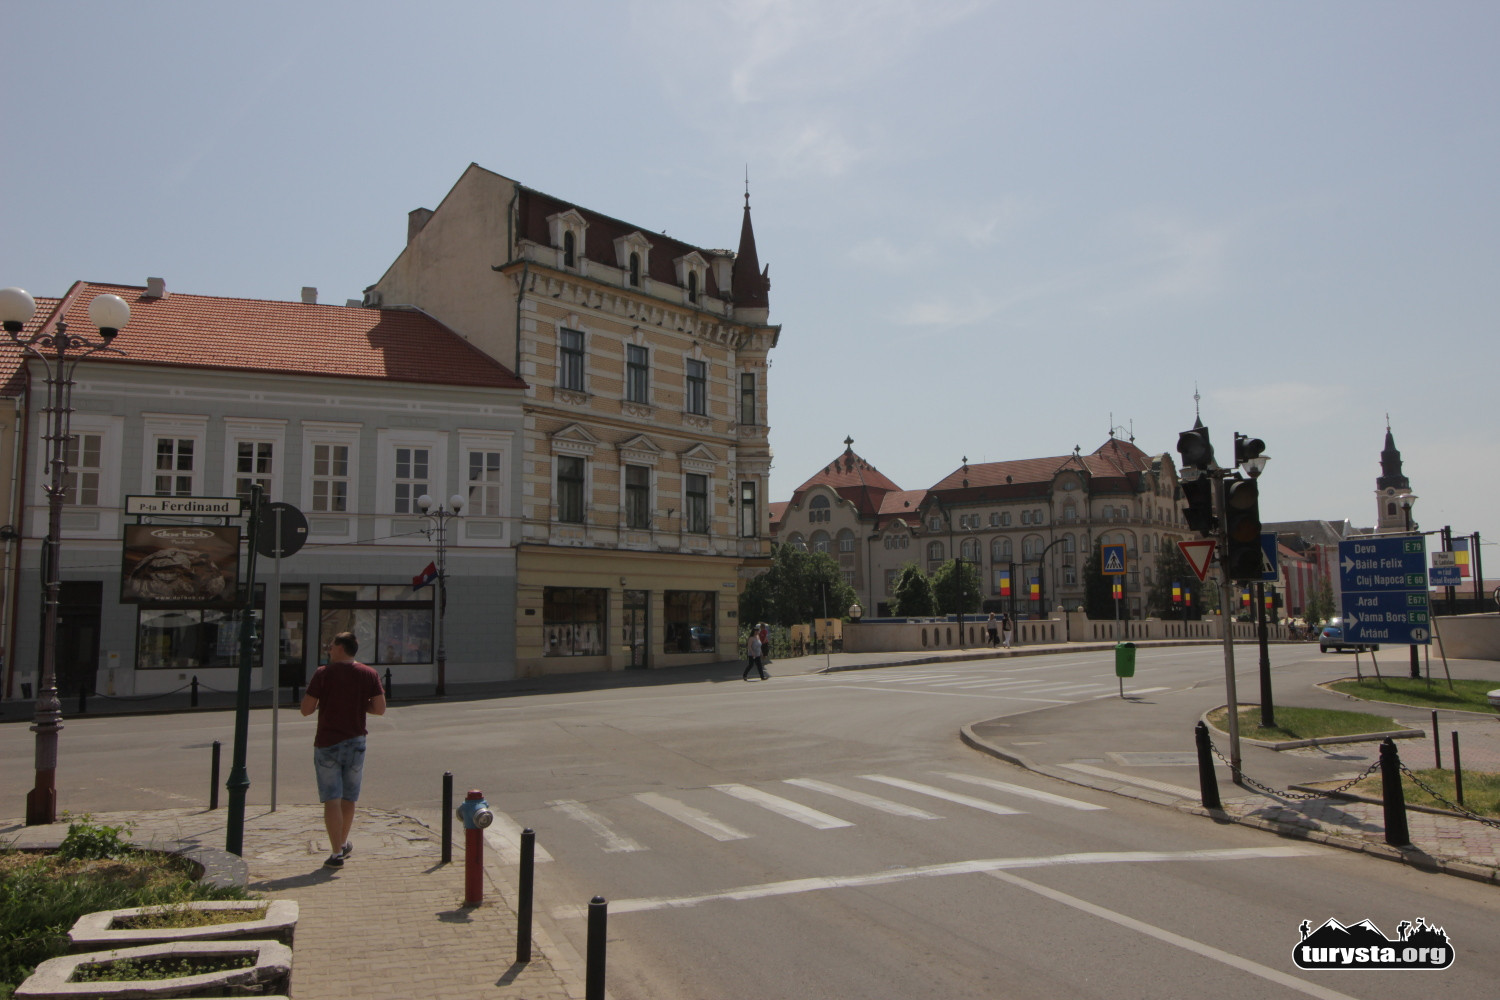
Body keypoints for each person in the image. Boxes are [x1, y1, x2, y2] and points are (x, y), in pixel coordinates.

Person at [300, 631, 386, 869]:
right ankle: (343, 842)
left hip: (328, 742)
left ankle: (336, 852)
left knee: (332, 798)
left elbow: (306, 709)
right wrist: (360, 705)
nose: (328, 650)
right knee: (349, 797)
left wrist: (323, 702)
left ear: (340, 648)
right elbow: (380, 708)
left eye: (331, 646)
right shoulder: (369, 674)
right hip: (356, 741)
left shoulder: (323, 674)